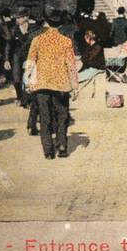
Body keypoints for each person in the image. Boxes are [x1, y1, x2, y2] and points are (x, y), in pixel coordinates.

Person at [27, 10, 80, 160]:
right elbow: (71, 65)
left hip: (42, 83)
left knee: (45, 118)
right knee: (62, 116)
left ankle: (48, 151)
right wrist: (75, 85)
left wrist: (28, 81)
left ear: (47, 23)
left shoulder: (37, 40)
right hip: (61, 84)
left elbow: (30, 62)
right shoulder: (66, 41)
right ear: (61, 24)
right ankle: (62, 145)